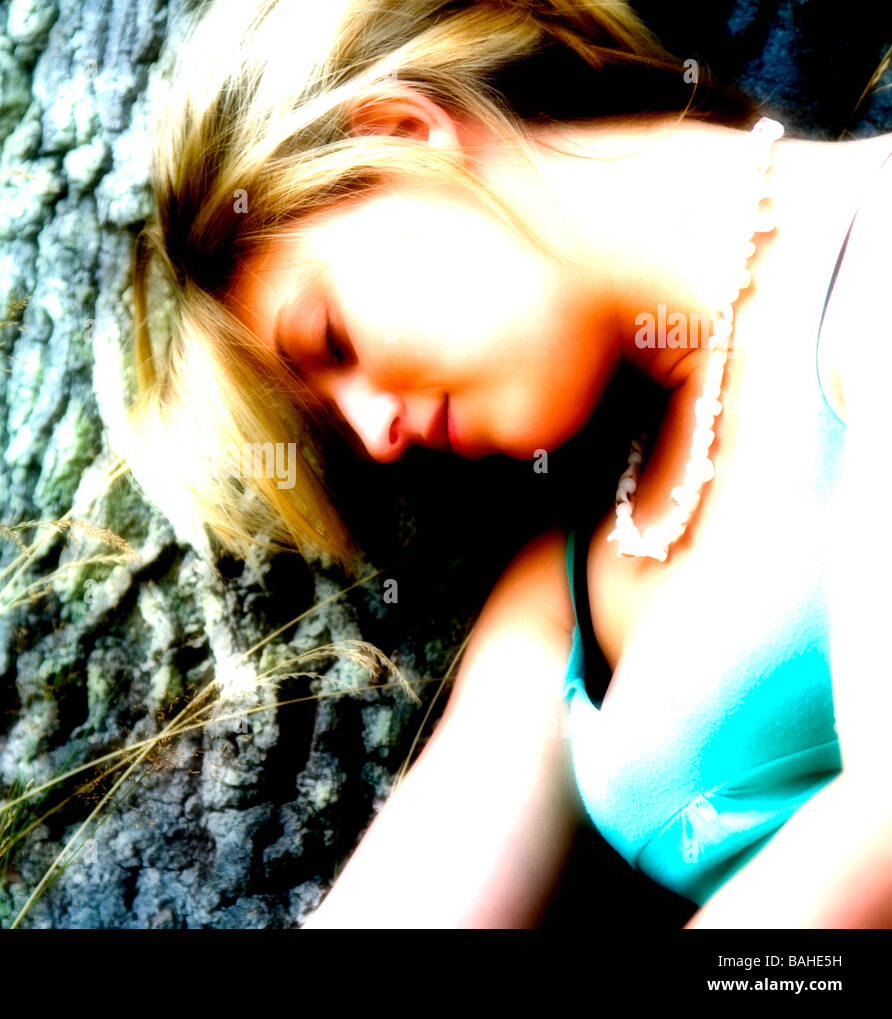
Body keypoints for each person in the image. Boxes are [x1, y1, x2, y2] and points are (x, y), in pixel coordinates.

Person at [126, 0, 892, 927]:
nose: (376, 437)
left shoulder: (873, 248)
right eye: (331, 420)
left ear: (405, 137)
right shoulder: (565, 591)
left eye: (332, 341)